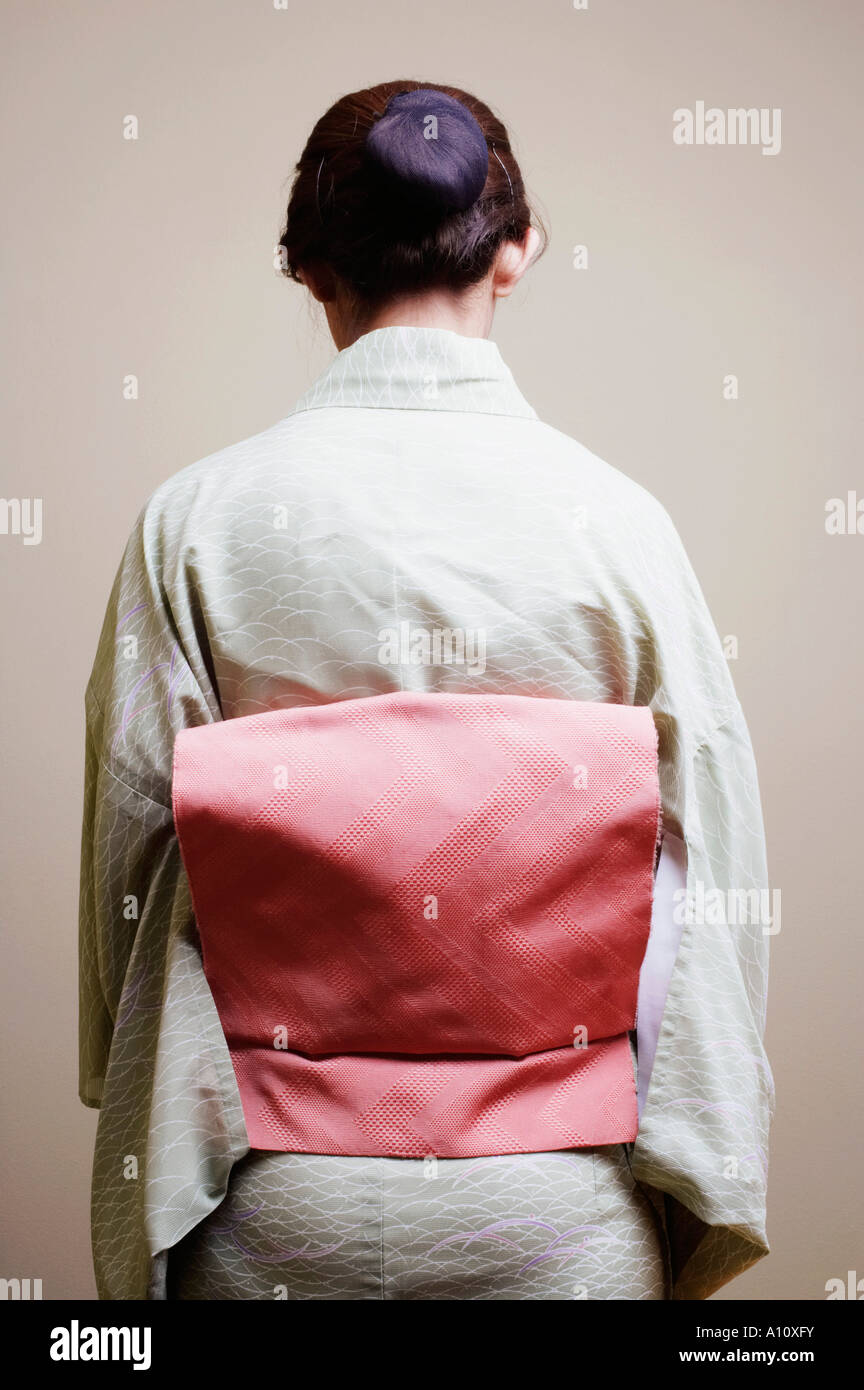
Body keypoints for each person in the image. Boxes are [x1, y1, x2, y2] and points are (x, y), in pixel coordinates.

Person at [78, 79, 774, 1301]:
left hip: (269, 1185)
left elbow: (133, 852)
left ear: (306, 270)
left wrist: (122, 1075)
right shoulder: (616, 523)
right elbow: (709, 853)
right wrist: (694, 1151)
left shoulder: (196, 523)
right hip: (553, 1192)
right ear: (516, 250)